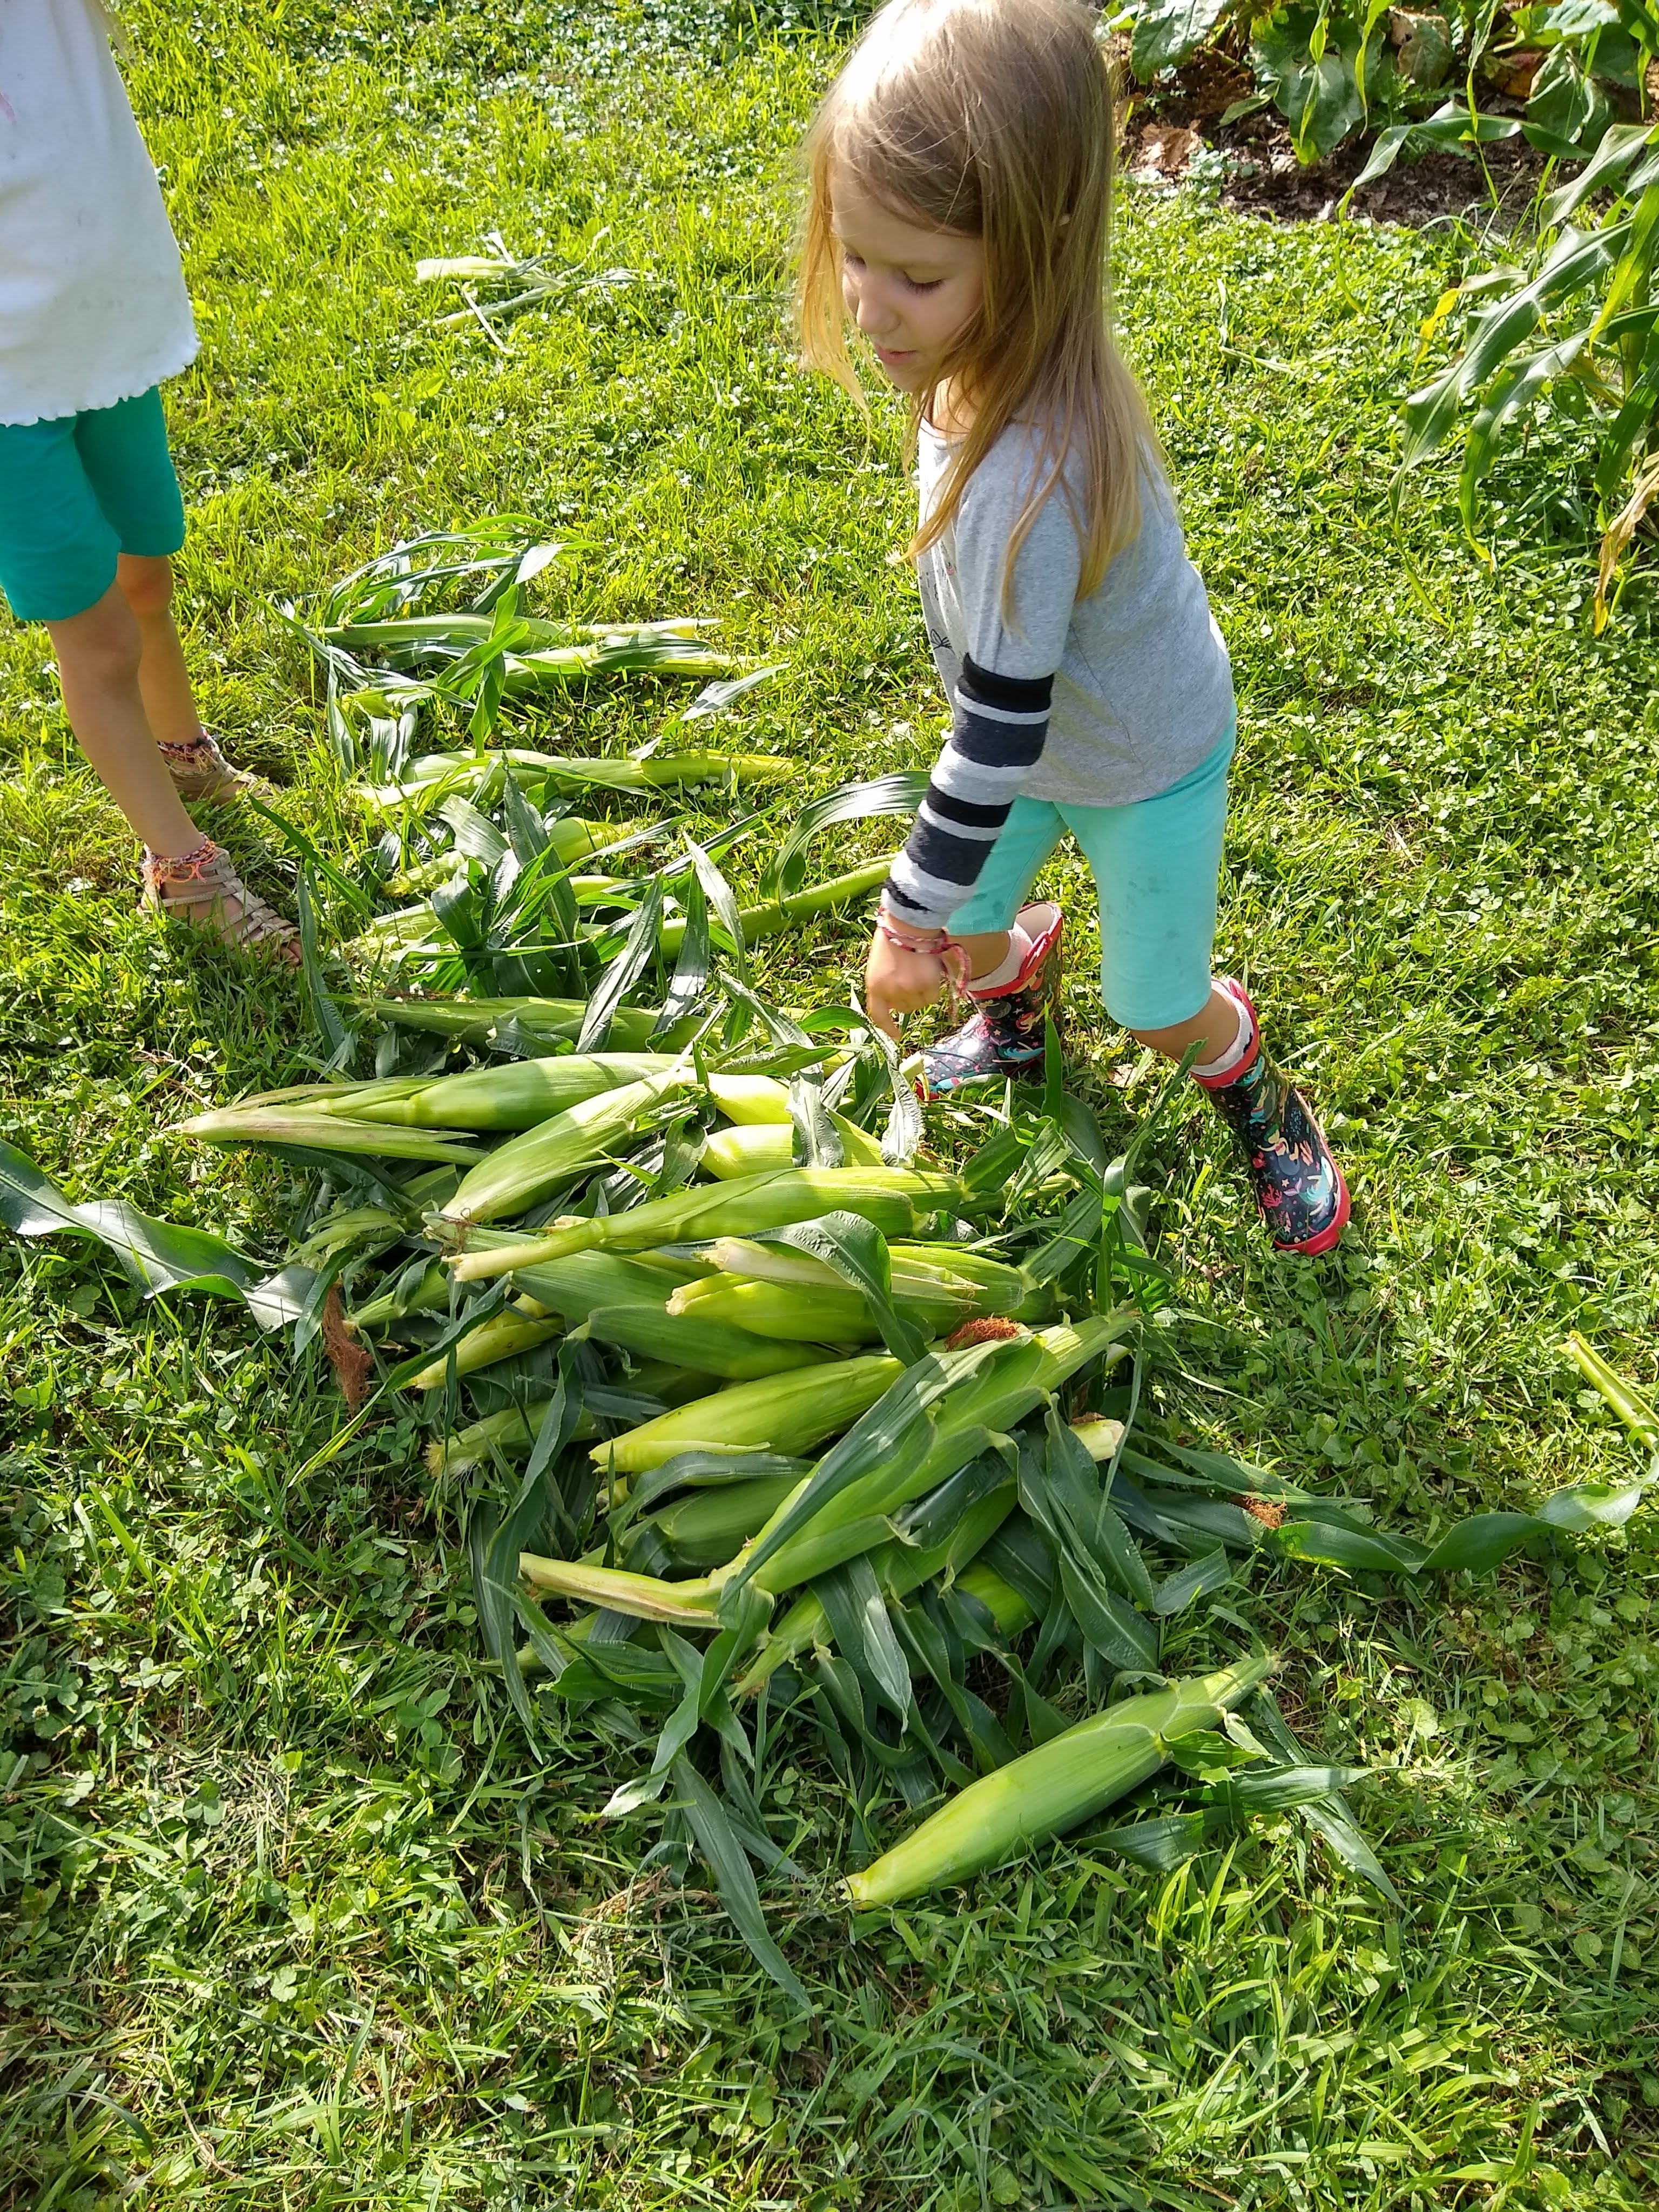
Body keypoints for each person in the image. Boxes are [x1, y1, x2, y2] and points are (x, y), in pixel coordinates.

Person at [797, 0, 1346, 1255]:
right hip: (1030, 746)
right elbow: (1003, 722)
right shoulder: (985, 363)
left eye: (918, 276)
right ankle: (1015, 1008)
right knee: (977, 933)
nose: (871, 308)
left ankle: (1249, 1075)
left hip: (1140, 759)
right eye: (855, 254)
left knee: (1153, 999)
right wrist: (940, 917)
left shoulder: (1032, 471)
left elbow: (996, 727)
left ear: (1032, 252)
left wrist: (899, 920)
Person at [0, 0, 295, 959]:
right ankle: (180, 873)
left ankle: (184, 754)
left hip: (101, 338)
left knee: (147, 577)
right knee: (96, 640)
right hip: (8, 390)